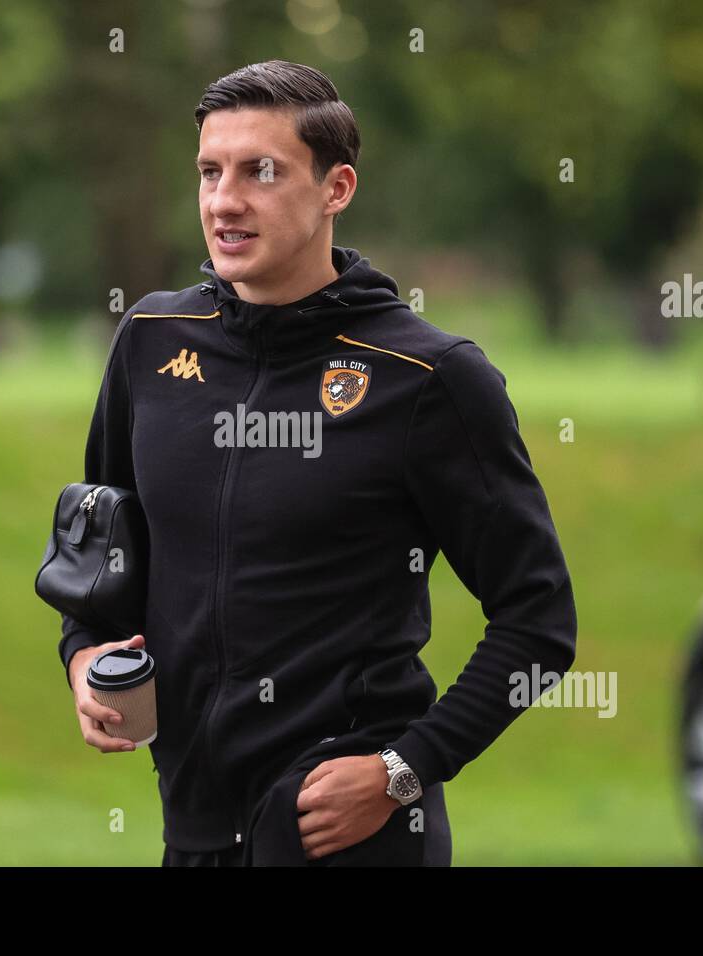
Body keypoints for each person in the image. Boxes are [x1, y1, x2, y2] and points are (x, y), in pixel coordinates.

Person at [58, 60, 577, 866]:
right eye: (209, 171)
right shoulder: (150, 343)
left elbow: (539, 621)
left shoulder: (429, 377)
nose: (225, 200)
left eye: (261, 171)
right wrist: (85, 656)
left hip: (350, 838)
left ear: (336, 189)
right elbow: (100, 560)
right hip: (192, 834)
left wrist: (402, 773)